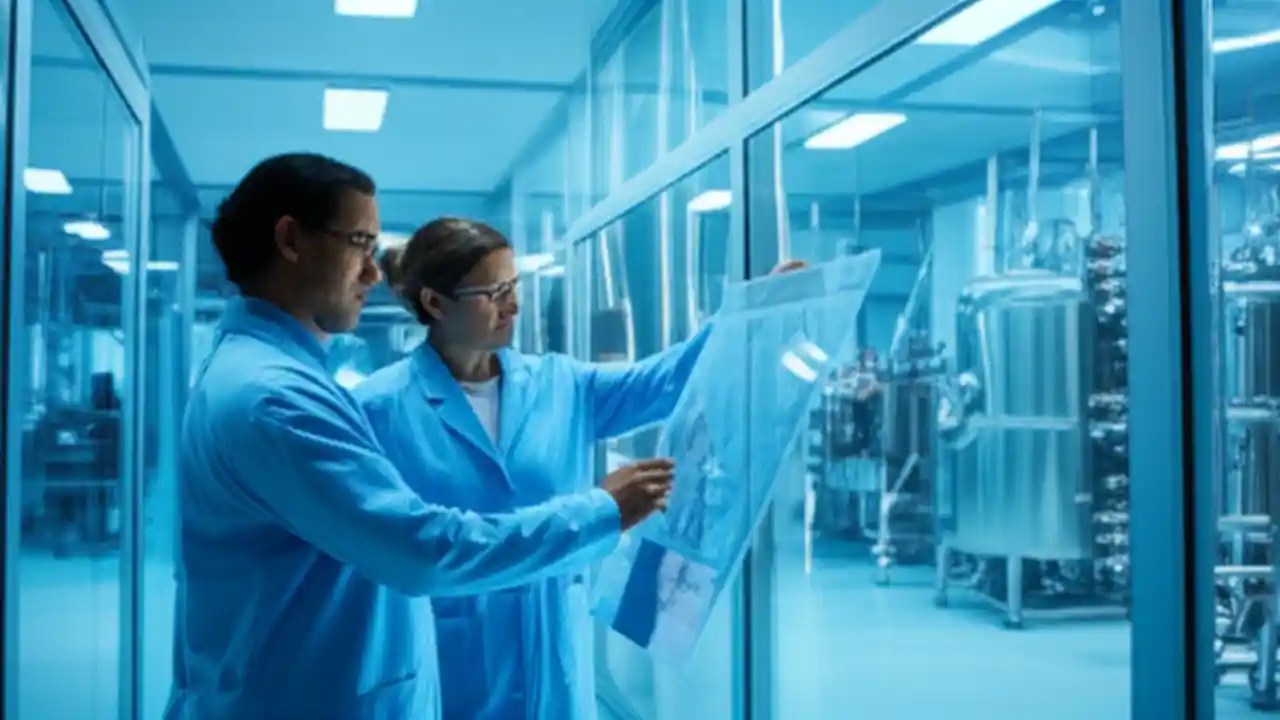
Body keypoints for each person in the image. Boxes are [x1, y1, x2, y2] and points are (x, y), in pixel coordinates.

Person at [166, 153, 675, 720]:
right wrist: (601, 511)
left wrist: (752, 316)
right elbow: (421, 550)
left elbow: (662, 383)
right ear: (290, 239)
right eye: (360, 243)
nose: (374, 272)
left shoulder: (263, 375)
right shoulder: (283, 399)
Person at [357, 217, 804, 719]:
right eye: (493, 291)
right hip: (447, 652)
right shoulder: (377, 409)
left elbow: (670, 379)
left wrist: (748, 316)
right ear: (436, 304)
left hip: (554, 651)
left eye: (514, 284)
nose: (514, 303)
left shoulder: (561, 385)